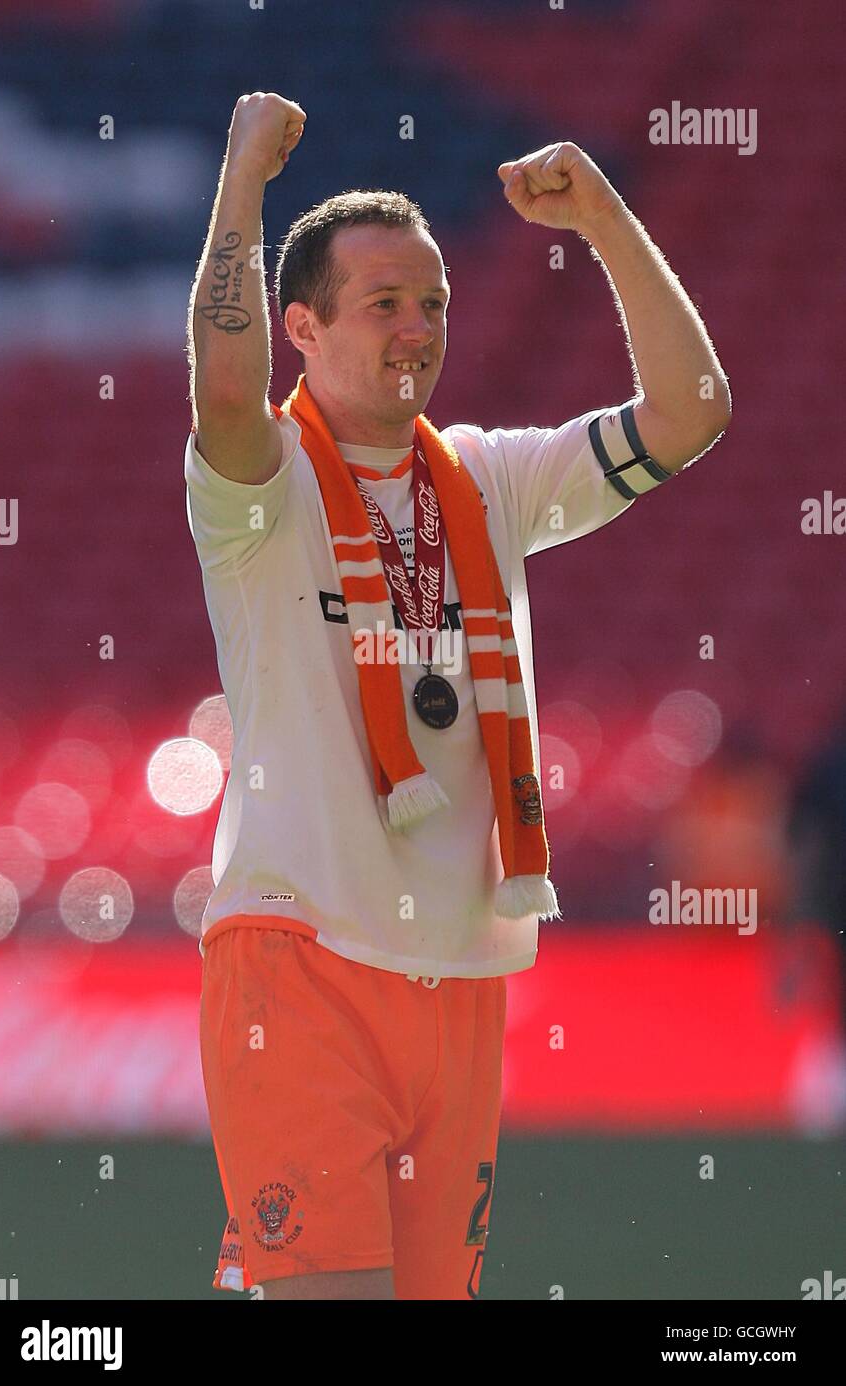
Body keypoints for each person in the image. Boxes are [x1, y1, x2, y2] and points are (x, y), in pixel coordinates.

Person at [184, 91, 731, 1301]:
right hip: (300, 962)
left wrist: (599, 218)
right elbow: (223, 397)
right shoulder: (259, 487)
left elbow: (690, 416)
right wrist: (240, 185)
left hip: (461, 982)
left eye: (433, 301)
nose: (417, 328)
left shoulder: (486, 476)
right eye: (382, 303)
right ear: (301, 328)